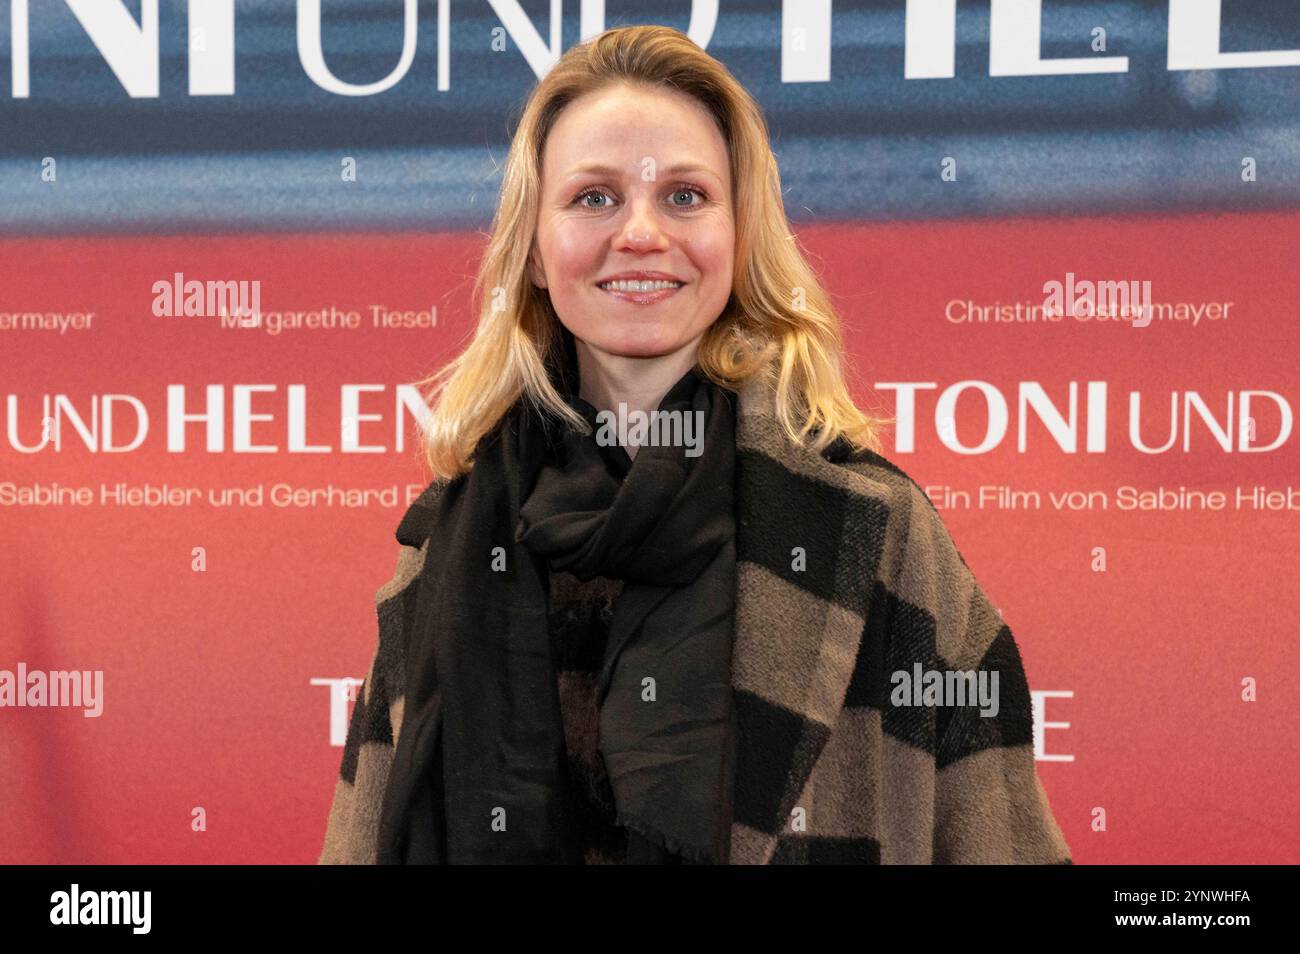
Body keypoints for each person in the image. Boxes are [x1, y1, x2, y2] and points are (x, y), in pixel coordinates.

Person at [317, 24, 1071, 865]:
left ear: (739, 235)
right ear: (533, 250)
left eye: (685, 196)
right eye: (593, 197)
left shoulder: (878, 532)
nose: (641, 233)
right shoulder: (446, 544)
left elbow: (1005, 843)